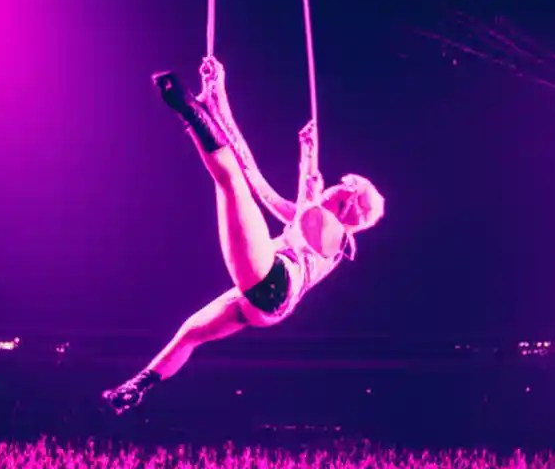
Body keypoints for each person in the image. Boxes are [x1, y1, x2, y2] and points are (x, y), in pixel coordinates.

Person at [103, 57, 385, 414]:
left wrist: (307, 167)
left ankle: (188, 112)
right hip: (265, 301)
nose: (332, 190)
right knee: (190, 333)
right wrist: (220, 98)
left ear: (349, 210)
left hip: (274, 282)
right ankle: (136, 387)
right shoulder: (312, 218)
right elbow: (256, 180)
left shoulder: (338, 239)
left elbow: (307, 217)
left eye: (341, 193)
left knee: (230, 183)